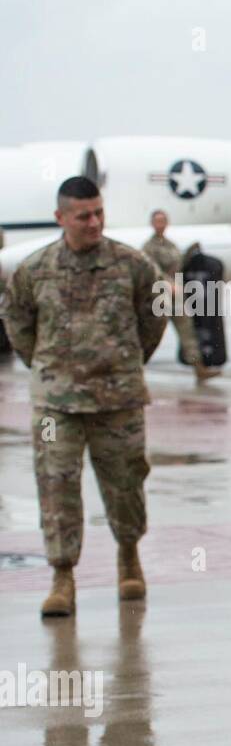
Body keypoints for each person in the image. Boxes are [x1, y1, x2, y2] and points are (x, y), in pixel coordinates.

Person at [3, 176, 167, 616]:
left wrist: (128, 362)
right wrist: (45, 368)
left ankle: (128, 556)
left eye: (99, 213)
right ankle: (62, 577)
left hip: (120, 401)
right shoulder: (34, 269)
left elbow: (155, 315)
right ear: (61, 218)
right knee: (56, 487)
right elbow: (16, 320)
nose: (94, 222)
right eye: (83, 216)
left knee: (127, 485)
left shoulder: (132, 264)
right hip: (57, 405)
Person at [141, 209, 219, 381]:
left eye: (163, 220)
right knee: (150, 333)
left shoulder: (170, 245)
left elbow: (178, 266)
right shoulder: (149, 247)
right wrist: (168, 283)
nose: (160, 224)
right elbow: (150, 270)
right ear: (152, 224)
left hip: (176, 295)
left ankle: (199, 367)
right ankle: (136, 367)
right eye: (157, 221)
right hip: (160, 296)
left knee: (187, 332)